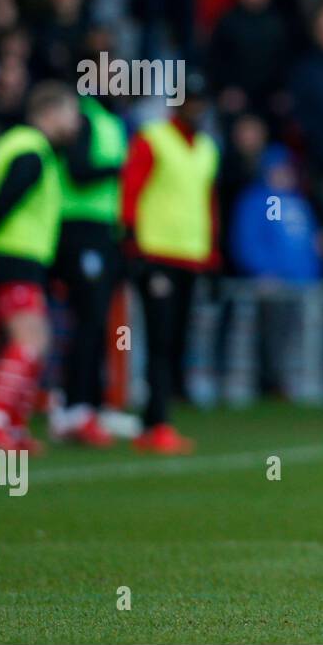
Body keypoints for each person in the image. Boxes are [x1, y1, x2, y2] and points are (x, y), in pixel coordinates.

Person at [0, 82, 81, 452]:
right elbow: (0, 203)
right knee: (29, 338)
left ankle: (14, 427)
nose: (75, 123)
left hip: (17, 256)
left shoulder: (19, 145)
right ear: (49, 113)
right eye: (70, 114)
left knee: (37, 338)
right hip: (12, 255)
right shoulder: (31, 150)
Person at [120, 93, 219, 454]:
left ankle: (152, 420)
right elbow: (131, 190)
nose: (196, 109)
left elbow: (206, 202)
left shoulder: (207, 147)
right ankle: (158, 421)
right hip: (157, 254)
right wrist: (132, 242)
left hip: (190, 257)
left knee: (174, 341)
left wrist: (212, 257)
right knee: (160, 340)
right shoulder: (153, 139)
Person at [49, 90, 127, 446]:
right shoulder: (83, 118)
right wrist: (120, 167)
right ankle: (73, 406)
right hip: (80, 230)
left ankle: (90, 405)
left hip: (101, 232)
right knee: (87, 321)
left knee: (95, 322)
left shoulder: (107, 121)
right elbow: (79, 171)